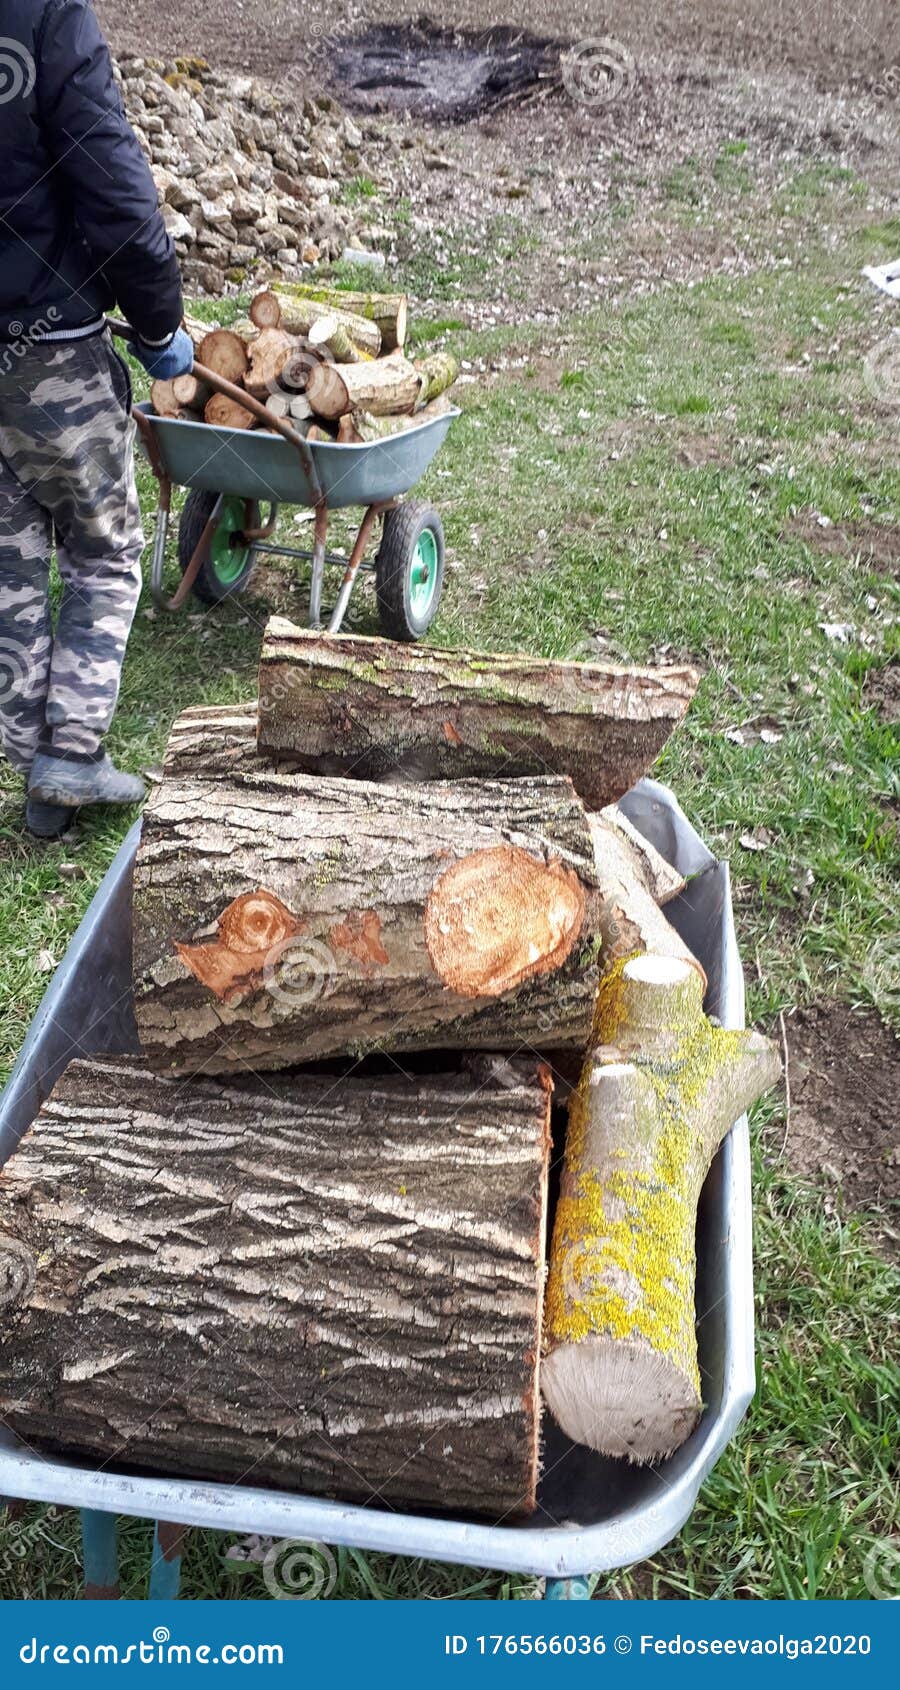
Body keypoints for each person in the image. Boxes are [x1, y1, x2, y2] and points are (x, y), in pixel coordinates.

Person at [0, 0, 194, 836]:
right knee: (102, 545)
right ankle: (70, 760)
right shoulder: (47, 16)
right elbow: (112, 185)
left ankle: (25, 758)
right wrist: (157, 326)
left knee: (8, 561)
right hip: (53, 347)